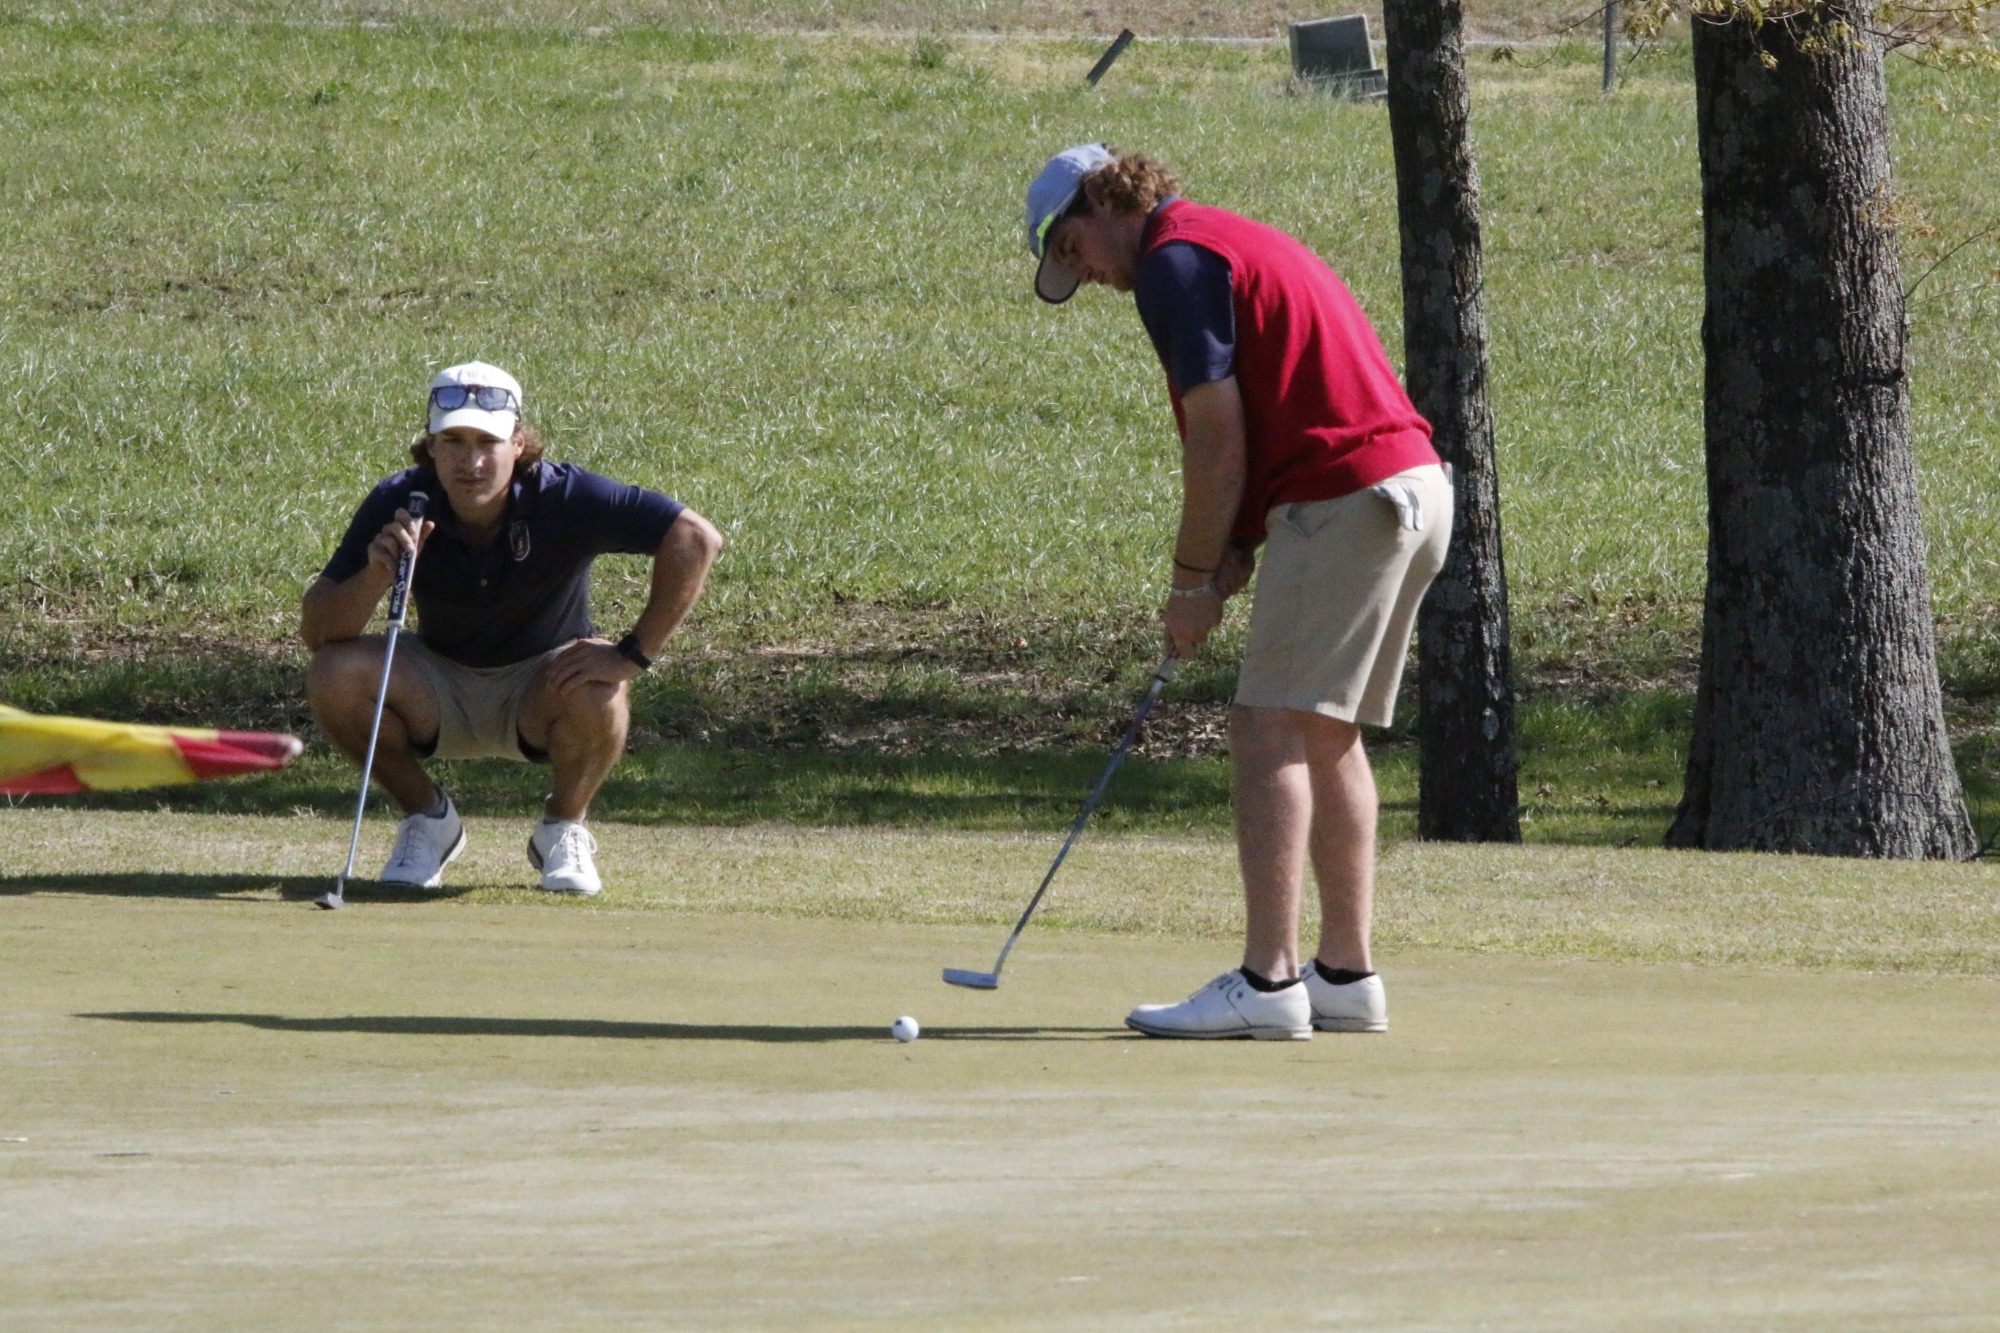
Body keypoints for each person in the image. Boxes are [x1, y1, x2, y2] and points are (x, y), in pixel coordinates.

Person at [1024, 144, 1451, 1040]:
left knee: (1264, 727)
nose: (1087, 274)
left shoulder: (1173, 266)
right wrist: (1236, 554)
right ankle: (1345, 975)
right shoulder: (1223, 239)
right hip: (1410, 489)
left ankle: (1267, 984)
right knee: (1326, 732)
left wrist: (1189, 584)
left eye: (1073, 248)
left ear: (1105, 202)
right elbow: (1279, 408)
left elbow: (1217, 441)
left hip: (1345, 496)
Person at [302, 361, 722, 896]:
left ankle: (562, 827)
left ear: (519, 443)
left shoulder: (565, 496)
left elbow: (695, 537)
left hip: (544, 682)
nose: (470, 460)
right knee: (334, 673)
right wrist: (376, 574)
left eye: (488, 441)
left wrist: (631, 654)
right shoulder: (402, 499)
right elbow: (319, 632)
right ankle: (428, 822)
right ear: (430, 446)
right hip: (437, 680)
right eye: (452, 441)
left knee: (600, 690)